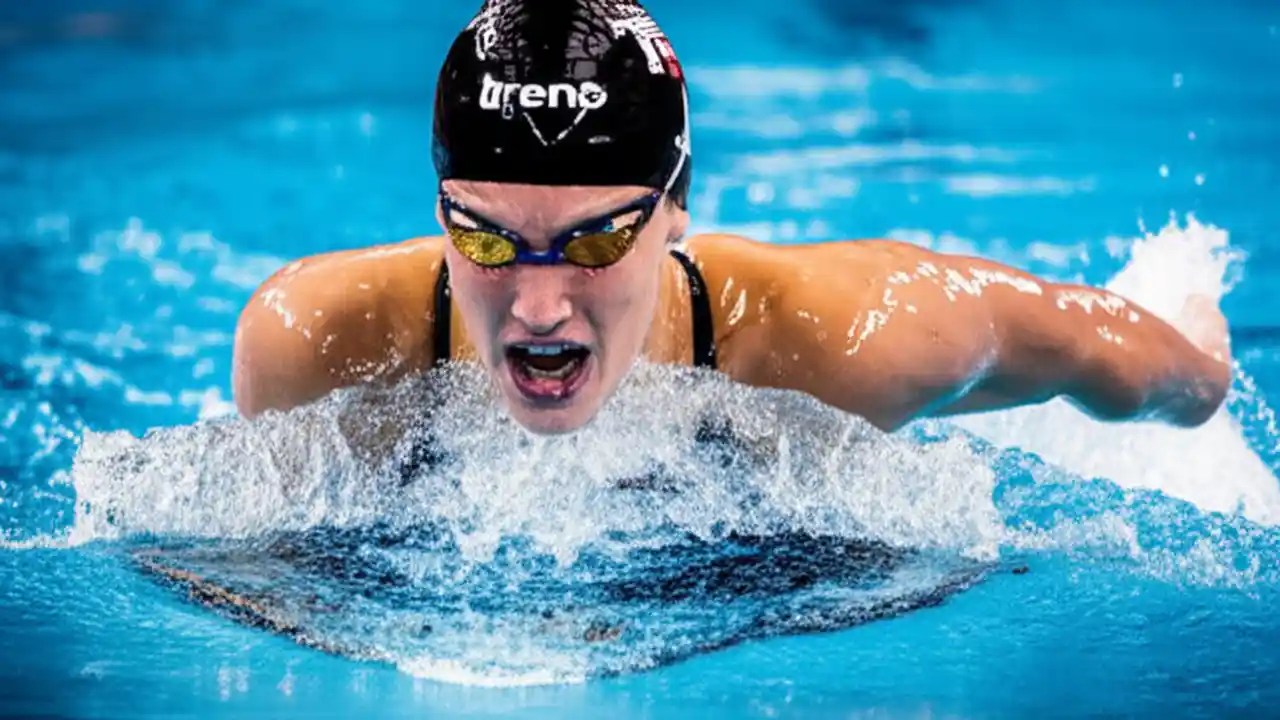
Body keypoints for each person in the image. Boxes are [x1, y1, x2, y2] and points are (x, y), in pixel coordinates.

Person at [231, 0, 1231, 438]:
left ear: (676, 211)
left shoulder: (845, 338)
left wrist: (1194, 368)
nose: (537, 305)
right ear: (439, 215)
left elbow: (1103, 350)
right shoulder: (319, 347)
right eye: (488, 239)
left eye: (594, 240)